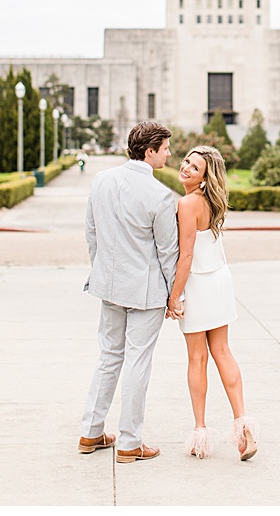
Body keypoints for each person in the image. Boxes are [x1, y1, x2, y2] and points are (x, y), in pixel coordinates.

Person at [78, 120, 179, 463]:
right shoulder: (160, 195)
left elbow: (91, 233)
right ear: (150, 151)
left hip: (108, 285)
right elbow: (168, 252)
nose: (169, 154)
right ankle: (129, 442)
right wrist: (174, 296)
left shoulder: (101, 180)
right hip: (145, 292)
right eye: (165, 149)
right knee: (137, 362)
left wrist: (101, 271)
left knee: (108, 357)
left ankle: (90, 432)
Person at [166, 145, 258, 461]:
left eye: (195, 167)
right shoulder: (212, 201)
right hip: (220, 279)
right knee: (222, 351)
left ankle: (200, 433)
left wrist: (174, 297)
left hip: (197, 283)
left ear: (205, 178)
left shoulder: (187, 203)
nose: (185, 168)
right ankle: (243, 424)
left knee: (197, 358)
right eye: (186, 161)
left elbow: (186, 256)